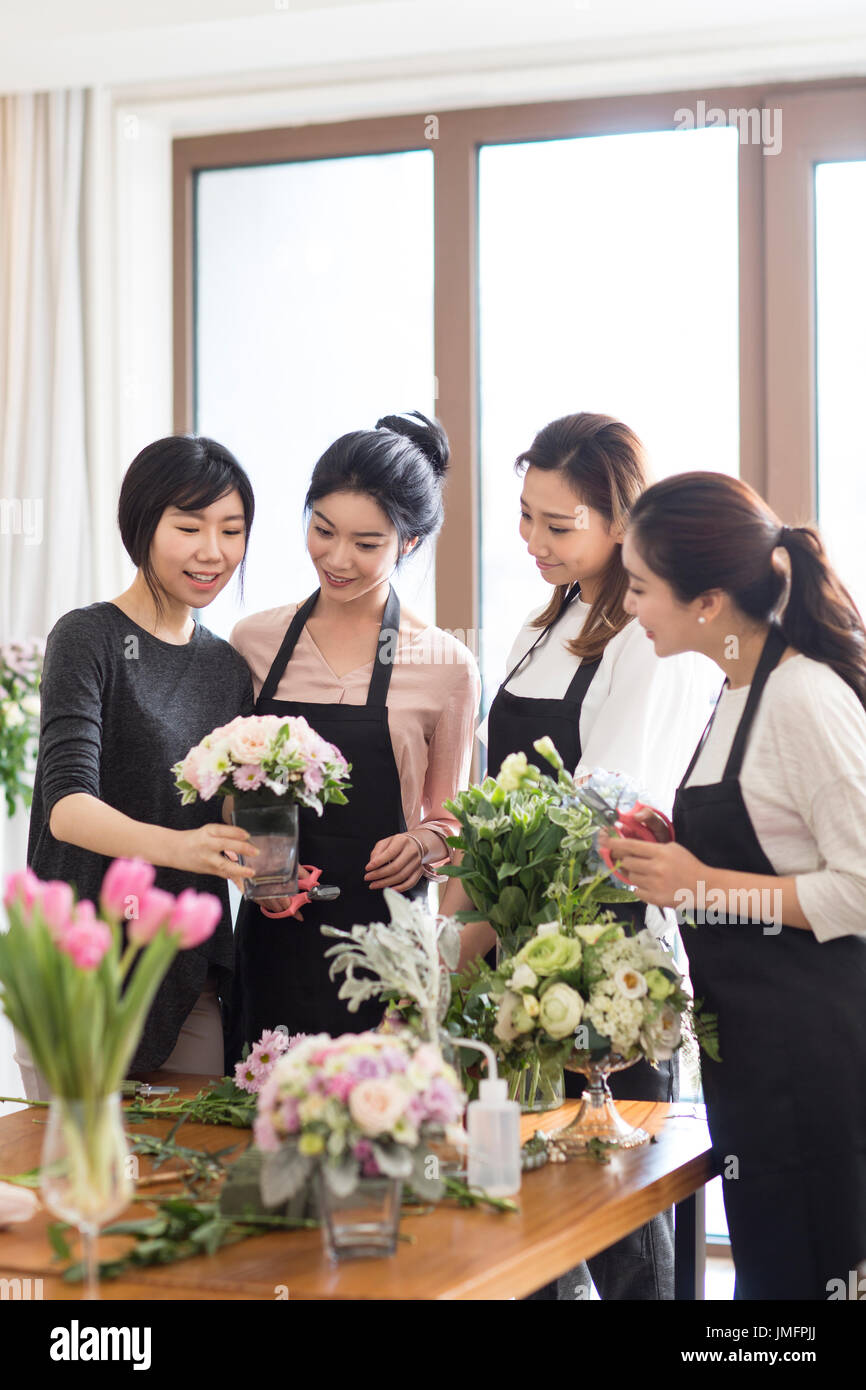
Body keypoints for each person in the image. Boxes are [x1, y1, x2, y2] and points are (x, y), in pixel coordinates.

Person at [441, 412, 721, 1301]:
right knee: (529, 1217)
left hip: (607, 954)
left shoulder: (650, 638)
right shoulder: (545, 621)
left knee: (618, 1217)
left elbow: (605, 812)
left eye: (558, 525)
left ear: (622, 522)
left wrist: (486, 927)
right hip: (518, 946)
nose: (533, 541)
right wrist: (465, 920)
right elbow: (503, 799)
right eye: (526, 516)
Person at [602, 470, 866, 1301]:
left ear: (708, 602)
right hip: (749, 1055)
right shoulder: (733, 691)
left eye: (641, 588)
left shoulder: (803, 696)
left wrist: (702, 883)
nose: (630, 608)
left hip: (818, 1057)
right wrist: (665, 854)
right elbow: (769, 856)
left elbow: (860, 889)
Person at [225, 411, 480, 1062]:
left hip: (385, 945)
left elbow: (452, 819)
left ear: (409, 543)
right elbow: (228, 788)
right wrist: (265, 862)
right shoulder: (254, 642)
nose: (337, 559)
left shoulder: (446, 665)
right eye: (323, 530)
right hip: (274, 938)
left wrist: (423, 843)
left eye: (366, 543)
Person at [20, 436, 259, 1097]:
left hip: (187, 970)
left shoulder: (227, 669)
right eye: (189, 527)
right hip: (81, 963)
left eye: (231, 530)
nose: (212, 551)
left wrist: (266, 851)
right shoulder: (88, 638)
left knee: (195, 1152)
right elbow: (68, 807)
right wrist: (183, 847)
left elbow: (225, 806)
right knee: (75, 1158)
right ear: (142, 525)